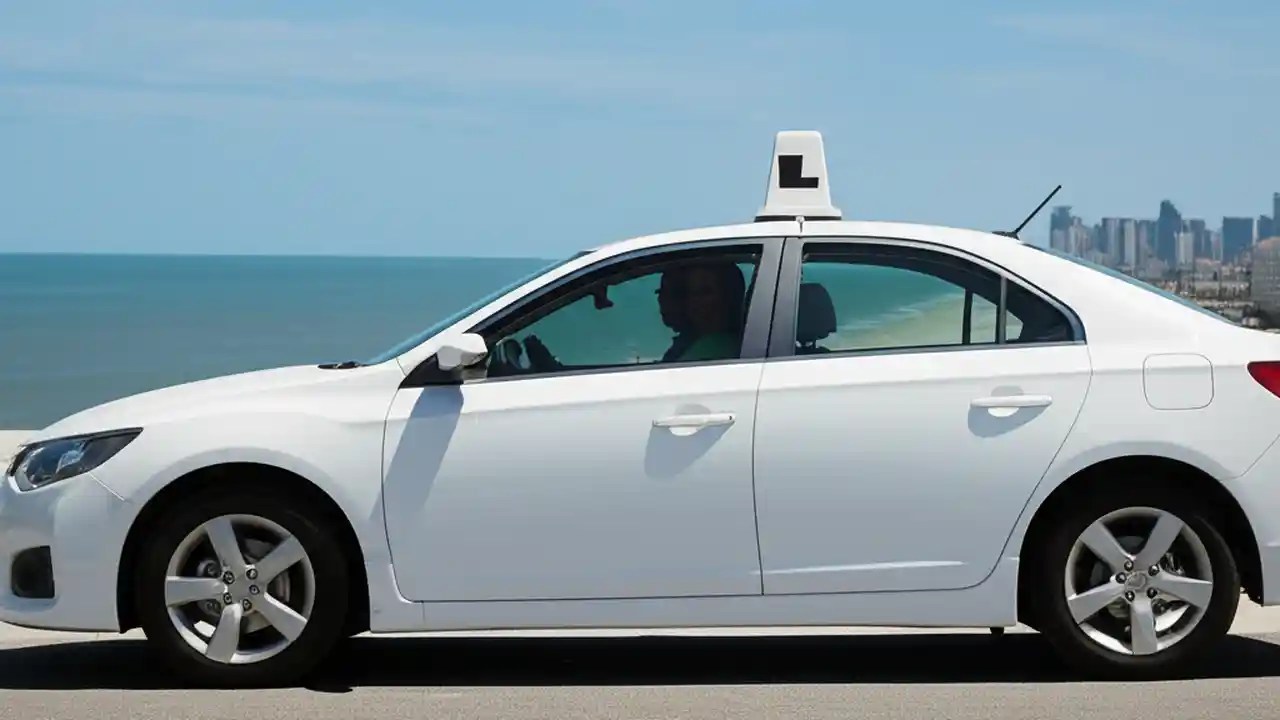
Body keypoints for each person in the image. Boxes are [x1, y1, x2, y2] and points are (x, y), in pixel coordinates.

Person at [658, 261, 745, 363]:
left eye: (705, 292)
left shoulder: (715, 348)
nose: (695, 301)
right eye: (691, 292)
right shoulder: (688, 344)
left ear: (729, 297)